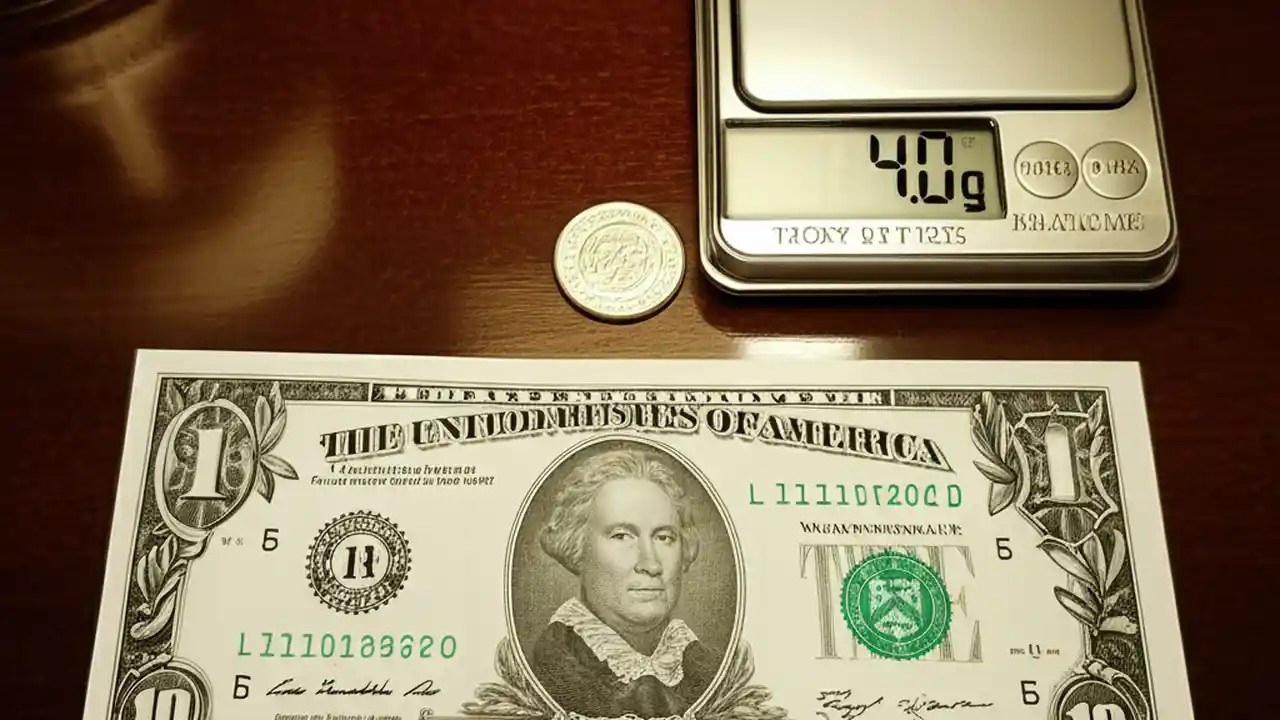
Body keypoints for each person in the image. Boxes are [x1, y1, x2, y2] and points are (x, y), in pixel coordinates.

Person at [531, 446, 719, 719]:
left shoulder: (705, 667)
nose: (651, 564)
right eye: (621, 536)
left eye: (664, 537)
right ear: (576, 546)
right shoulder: (552, 668)